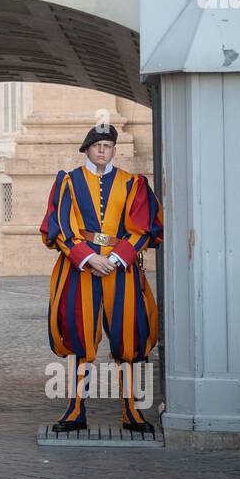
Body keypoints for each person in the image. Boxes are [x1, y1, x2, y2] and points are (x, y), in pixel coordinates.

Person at [39, 123, 163, 433]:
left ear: (113, 150)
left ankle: (131, 411)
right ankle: (75, 409)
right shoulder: (68, 182)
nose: (102, 150)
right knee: (80, 337)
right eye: (97, 146)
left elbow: (143, 227)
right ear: (87, 149)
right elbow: (60, 225)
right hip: (80, 268)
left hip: (120, 269)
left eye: (108, 146)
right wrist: (88, 257)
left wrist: (115, 258)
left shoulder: (132, 183)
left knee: (129, 337)